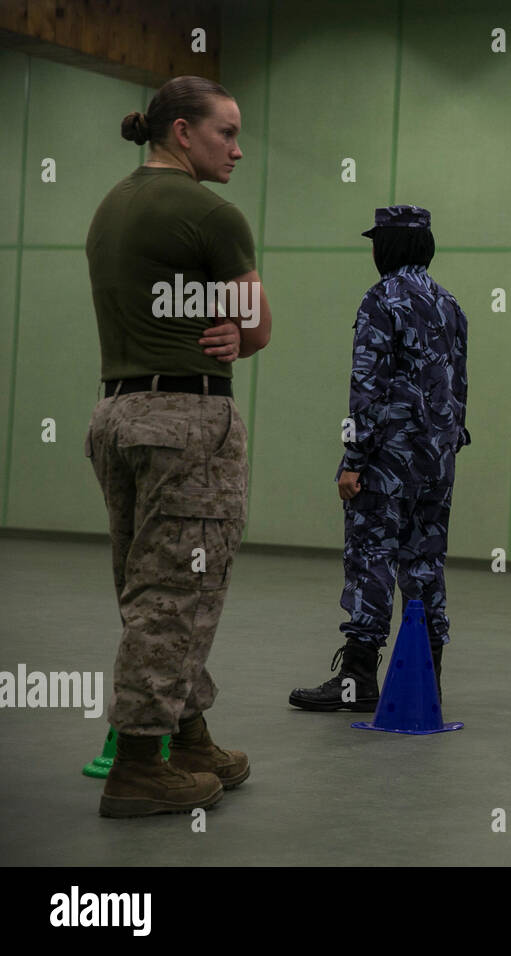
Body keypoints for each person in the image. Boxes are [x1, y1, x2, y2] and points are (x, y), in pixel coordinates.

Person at [86, 76, 271, 817]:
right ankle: (139, 763)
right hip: (187, 421)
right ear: (183, 133)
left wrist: (212, 313)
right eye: (225, 132)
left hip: (117, 412)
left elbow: (166, 300)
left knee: (151, 588)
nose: (236, 148)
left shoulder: (110, 208)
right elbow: (256, 327)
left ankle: (188, 737)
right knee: (178, 594)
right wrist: (236, 330)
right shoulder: (210, 213)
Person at [289, 205, 469, 712]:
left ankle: (358, 679)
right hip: (437, 458)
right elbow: (460, 384)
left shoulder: (380, 299)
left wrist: (354, 459)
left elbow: (366, 387)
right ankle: (426, 675)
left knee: (371, 556)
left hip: (388, 458)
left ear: (388, 246)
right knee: (426, 561)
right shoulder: (450, 304)